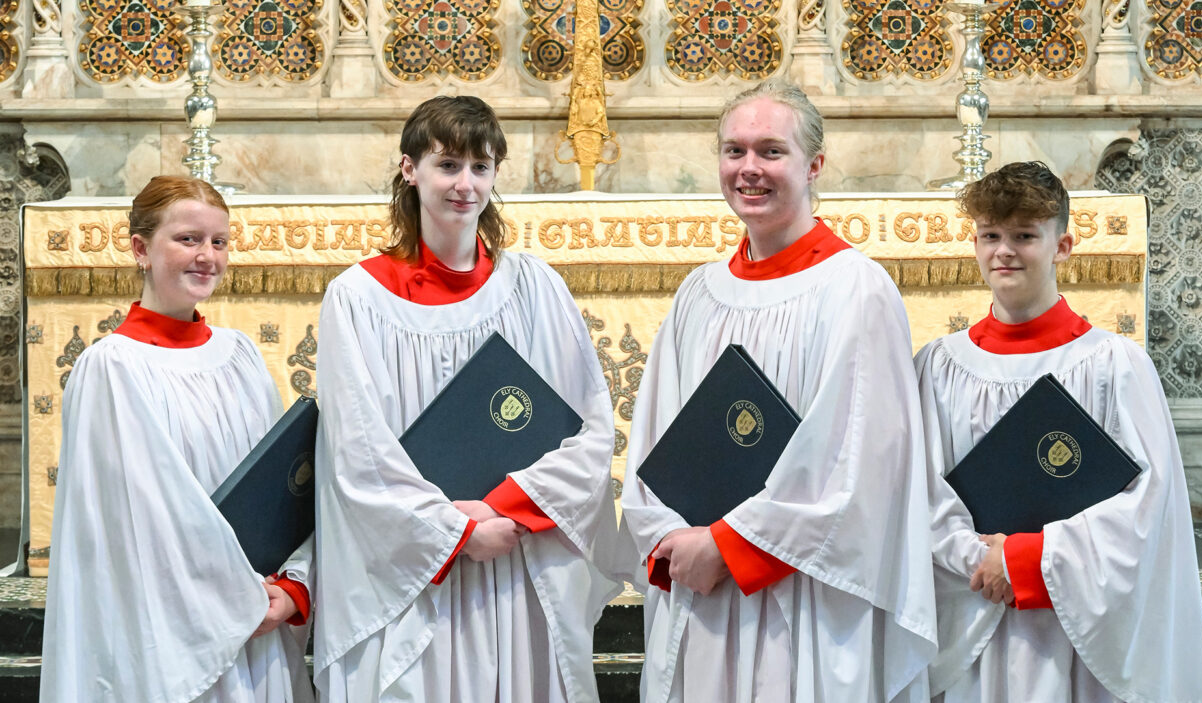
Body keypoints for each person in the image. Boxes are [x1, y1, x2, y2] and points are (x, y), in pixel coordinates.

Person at [619, 79, 937, 702]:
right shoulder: (699, 294)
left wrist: (732, 546)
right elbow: (653, 446)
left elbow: (861, 465)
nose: (749, 169)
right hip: (704, 591)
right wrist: (669, 540)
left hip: (803, 597)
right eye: (733, 151)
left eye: (770, 151)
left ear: (814, 165)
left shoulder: (855, 289)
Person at [312, 95, 621, 702]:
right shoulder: (358, 299)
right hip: (420, 570)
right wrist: (452, 532)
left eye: (481, 168)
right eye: (448, 165)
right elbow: (358, 451)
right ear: (410, 170)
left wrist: (505, 508)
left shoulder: (534, 288)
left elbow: (590, 425)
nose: (465, 184)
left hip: (518, 550)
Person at [918, 161, 1202, 702]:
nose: (1004, 251)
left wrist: (1028, 559)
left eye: (1025, 236)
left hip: (1075, 625)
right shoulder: (938, 366)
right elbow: (919, 488)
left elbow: (1148, 503)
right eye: (991, 236)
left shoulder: (1113, 364)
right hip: (972, 602)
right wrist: (978, 559)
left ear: (1063, 246)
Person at [41, 176, 315, 702]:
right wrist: (239, 599)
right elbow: (144, 523)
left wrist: (290, 586)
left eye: (219, 241)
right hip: (168, 632)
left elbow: (283, 488)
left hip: (259, 615)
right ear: (141, 248)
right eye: (188, 239)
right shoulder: (112, 368)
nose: (207, 256)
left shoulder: (240, 357)